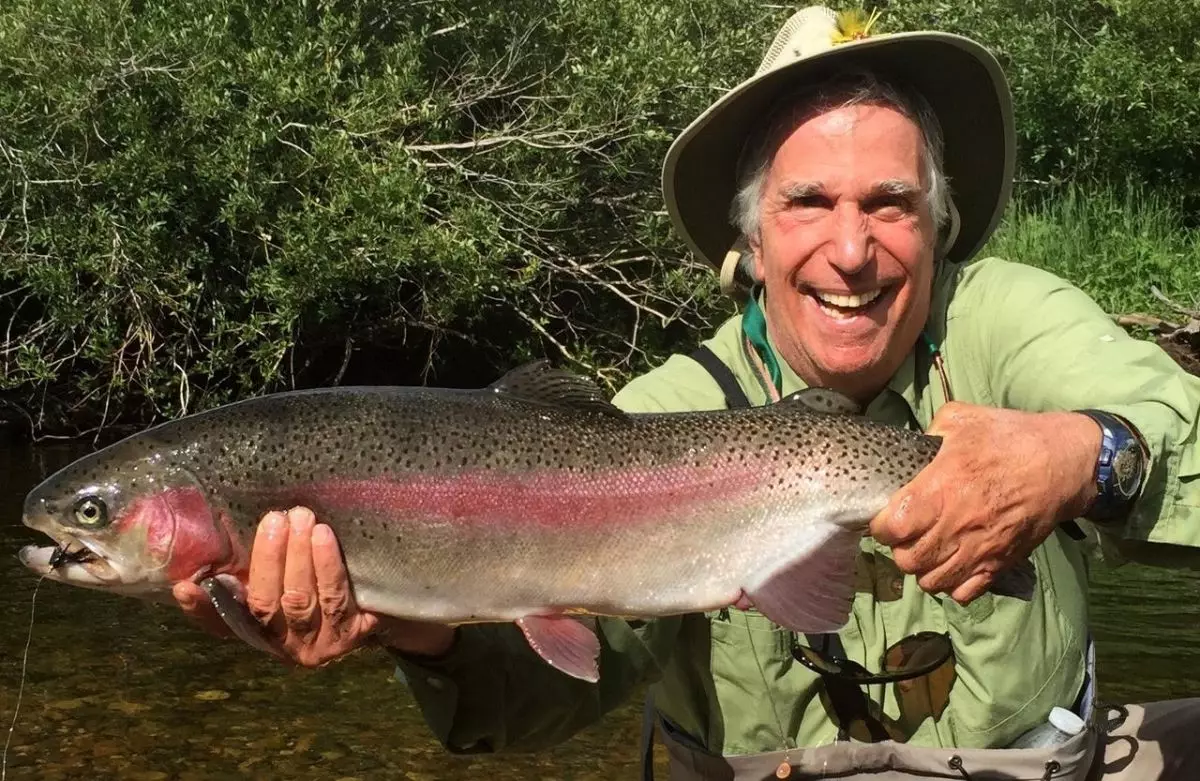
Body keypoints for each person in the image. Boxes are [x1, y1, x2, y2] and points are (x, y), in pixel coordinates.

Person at [173, 6, 1200, 780]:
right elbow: (542, 697)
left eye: (889, 203)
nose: (852, 249)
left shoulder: (1009, 321)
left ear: (937, 223)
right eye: (808, 204)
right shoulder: (664, 416)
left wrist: (1084, 456)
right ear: (750, 242)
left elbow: (1179, 428)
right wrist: (414, 626)